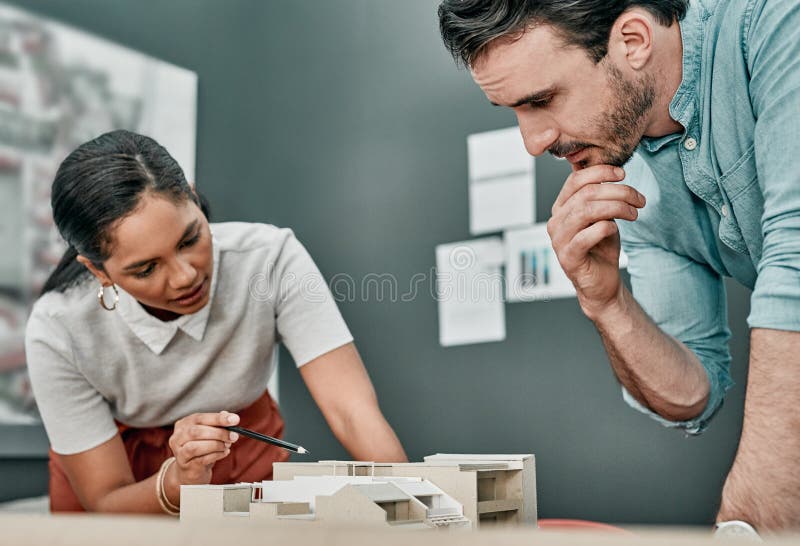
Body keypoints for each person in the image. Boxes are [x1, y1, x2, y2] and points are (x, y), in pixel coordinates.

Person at [438, 0, 800, 533]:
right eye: (515, 111)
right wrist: (605, 301)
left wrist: (751, 519)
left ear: (632, 40)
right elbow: (690, 395)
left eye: (542, 100)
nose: (533, 142)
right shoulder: (628, 164)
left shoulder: (774, 23)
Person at [25, 129, 407, 514]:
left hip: (239, 452)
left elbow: (352, 410)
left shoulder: (269, 259)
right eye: (146, 269)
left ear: (192, 196)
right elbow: (106, 499)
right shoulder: (59, 329)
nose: (185, 277)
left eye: (189, 240)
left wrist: (412, 502)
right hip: (119, 480)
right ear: (98, 270)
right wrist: (177, 479)